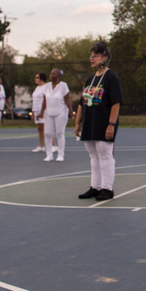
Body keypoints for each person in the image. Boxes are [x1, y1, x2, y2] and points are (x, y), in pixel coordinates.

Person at [75, 42, 122, 201]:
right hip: (90, 123)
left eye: (95, 56)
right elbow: (82, 102)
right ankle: (95, 187)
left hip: (104, 122)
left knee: (104, 154)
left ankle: (107, 188)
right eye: (91, 56)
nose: (91, 59)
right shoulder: (90, 80)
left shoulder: (111, 77)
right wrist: (77, 122)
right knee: (93, 156)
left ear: (104, 57)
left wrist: (111, 124)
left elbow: (116, 103)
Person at [41, 69, 71, 162]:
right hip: (49, 112)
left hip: (61, 112)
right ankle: (49, 154)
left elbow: (67, 100)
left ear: (58, 76)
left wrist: (71, 111)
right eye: (50, 73)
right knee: (48, 133)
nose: (51, 75)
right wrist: (41, 112)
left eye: (53, 74)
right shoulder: (46, 86)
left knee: (59, 133)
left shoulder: (63, 86)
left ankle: (60, 154)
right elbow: (45, 100)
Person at [31, 72, 49, 153]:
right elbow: (35, 100)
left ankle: (53, 145)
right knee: (39, 128)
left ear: (41, 78)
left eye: (37, 77)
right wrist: (33, 111)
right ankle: (41, 146)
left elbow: (46, 99)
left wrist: (42, 111)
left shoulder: (46, 86)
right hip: (37, 110)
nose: (35, 79)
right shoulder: (37, 88)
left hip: (43, 110)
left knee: (47, 128)